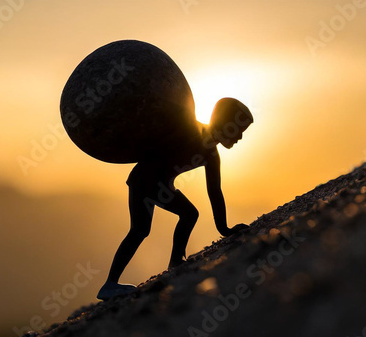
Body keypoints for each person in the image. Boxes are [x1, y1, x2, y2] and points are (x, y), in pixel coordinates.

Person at [97, 97, 253, 300]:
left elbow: (215, 192)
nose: (239, 137)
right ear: (225, 122)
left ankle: (113, 283)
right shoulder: (191, 129)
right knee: (182, 216)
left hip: (151, 183)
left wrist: (225, 229)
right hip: (145, 180)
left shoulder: (211, 154)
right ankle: (171, 263)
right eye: (239, 128)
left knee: (141, 230)